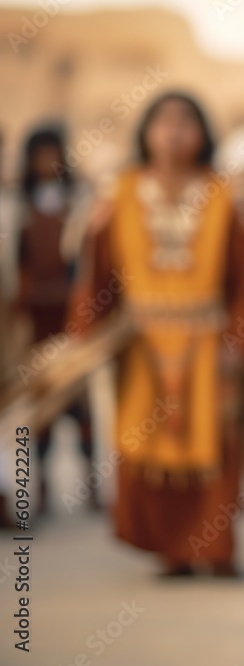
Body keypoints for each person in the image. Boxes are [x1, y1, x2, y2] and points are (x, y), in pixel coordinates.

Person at [69, 92, 244, 577]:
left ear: (202, 134)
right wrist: (86, 333)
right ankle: (172, 553)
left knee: (214, 440)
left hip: (207, 343)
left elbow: (243, 276)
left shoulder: (223, 195)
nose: (173, 132)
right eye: (163, 122)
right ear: (146, 132)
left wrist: (240, 338)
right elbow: (97, 270)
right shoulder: (120, 193)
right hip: (139, 344)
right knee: (146, 443)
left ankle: (215, 550)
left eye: (185, 121)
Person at [12, 127, 97, 515]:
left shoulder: (78, 203)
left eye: (53, 155)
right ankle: (39, 488)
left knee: (81, 410)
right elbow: (17, 263)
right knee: (39, 413)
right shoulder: (18, 208)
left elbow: (86, 262)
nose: (47, 163)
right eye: (40, 156)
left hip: (71, 323)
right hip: (35, 325)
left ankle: (91, 484)